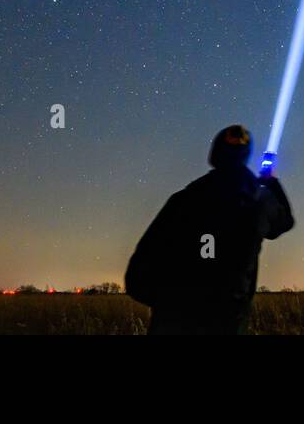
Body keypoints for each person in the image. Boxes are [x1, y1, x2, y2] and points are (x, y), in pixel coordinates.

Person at [125, 124, 294, 334]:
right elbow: (285, 222)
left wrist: (170, 305)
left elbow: (136, 276)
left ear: (215, 154)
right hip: (228, 323)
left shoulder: (183, 201)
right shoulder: (261, 203)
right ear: (245, 156)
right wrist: (271, 182)